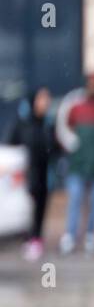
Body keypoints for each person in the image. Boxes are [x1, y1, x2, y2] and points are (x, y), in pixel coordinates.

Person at [58, 71, 94, 255]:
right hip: (78, 164)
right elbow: (65, 130)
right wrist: (72, 145)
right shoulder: (76, 108)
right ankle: (70, 235)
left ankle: (91, 235)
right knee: (75, 199)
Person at [5, 87, 57, 260]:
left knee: (41, 207)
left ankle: (36, 239)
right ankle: (27, 239)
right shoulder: (22, 123)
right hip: (26, 175)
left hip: (44, 173)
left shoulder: (48, 124)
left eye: (47, 99)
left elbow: (54, 147)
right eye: (42, 99)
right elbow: (11, 146)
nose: (45, 103)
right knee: (27, 207)